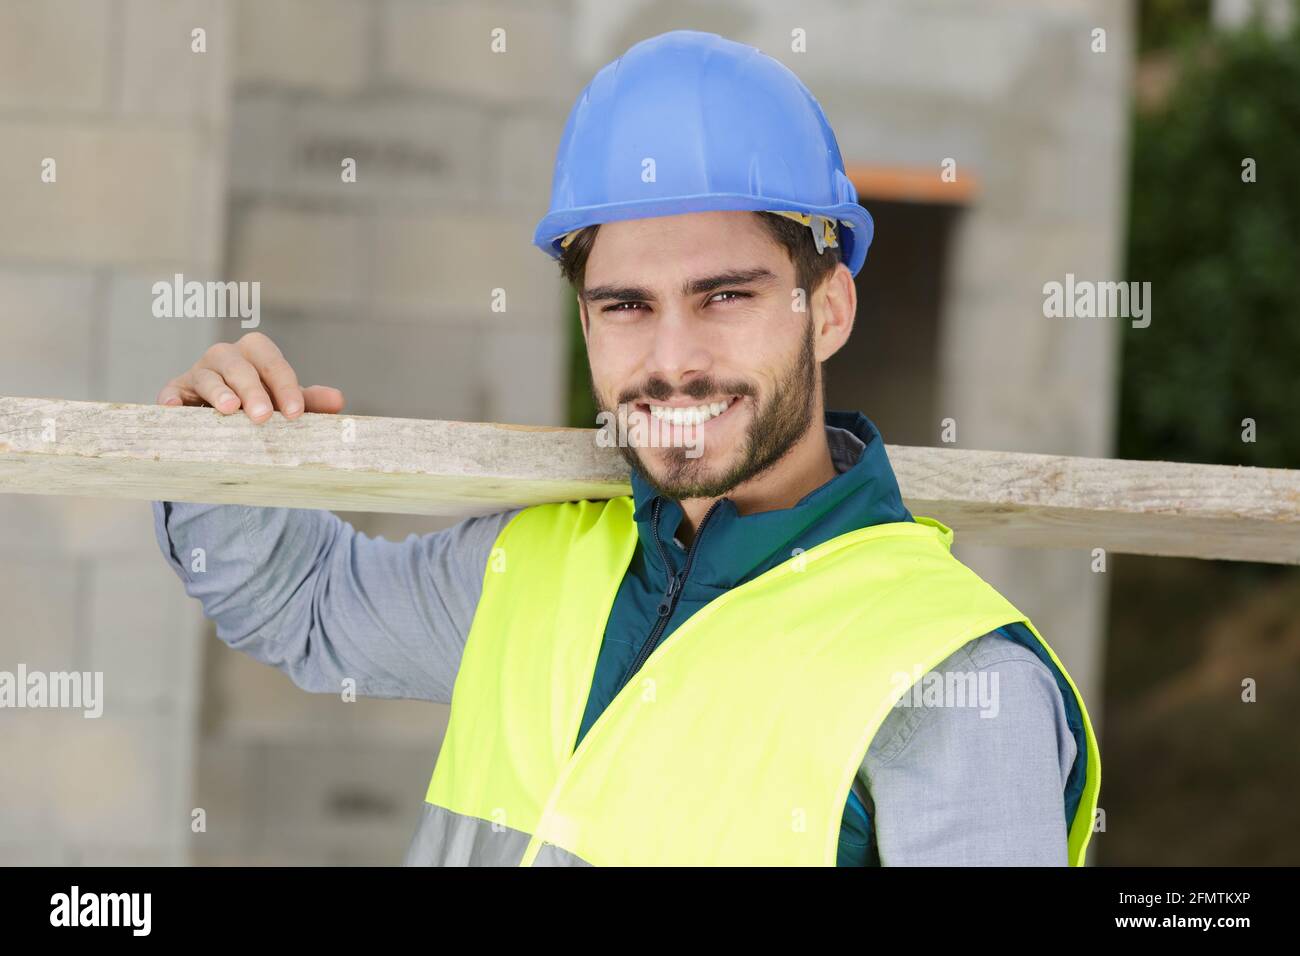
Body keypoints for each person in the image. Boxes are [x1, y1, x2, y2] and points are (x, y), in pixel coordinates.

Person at [154, 30, 1099, 866]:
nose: (673, 362)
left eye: (725, 296)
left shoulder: (959, 683)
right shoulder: (531, 570)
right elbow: (303, 604)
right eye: (626, 307)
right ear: (584, 320)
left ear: (830, 310)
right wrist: (218, 452)